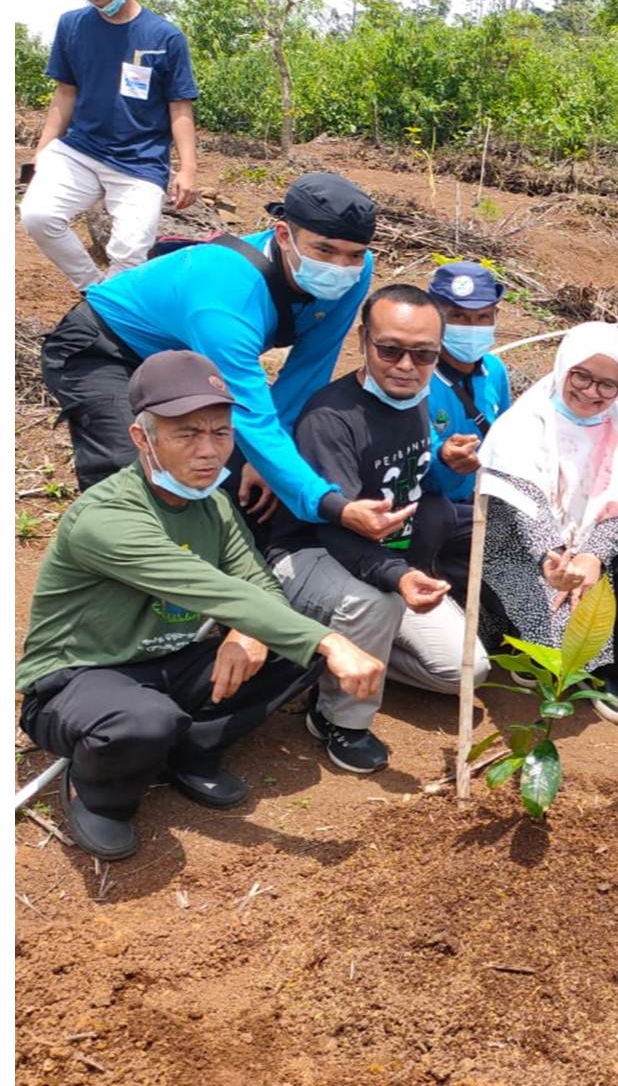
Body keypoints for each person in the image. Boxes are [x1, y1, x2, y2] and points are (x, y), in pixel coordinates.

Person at [16, 351, 385, 860]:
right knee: (145, 721)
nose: (209, 451)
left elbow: (257, 582)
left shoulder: (211, 502)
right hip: (82, 674)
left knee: (290, 646)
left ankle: (188, 753)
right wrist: (330, 639)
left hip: (169, 659)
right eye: (186, 434)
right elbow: (211, 588)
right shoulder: (106, 519)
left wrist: (245, 634)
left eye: (220, 432)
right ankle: (103, 797)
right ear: (143, 438)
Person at [39, 173, 402, 556]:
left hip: (186, 364)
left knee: (236, 473)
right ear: (283, 234)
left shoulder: (355, 274)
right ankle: (106, 569)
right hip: (106, 350)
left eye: (354, 254)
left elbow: (310, 368)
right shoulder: (227, 293)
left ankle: (223, 579)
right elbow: (251, 415)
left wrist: (266, 460)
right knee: (137, 470)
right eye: (324, 250)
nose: (340, 267)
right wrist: (329, 504)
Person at [265, 285, 490, 773]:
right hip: (310, 553)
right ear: (364, 340)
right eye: (390, 349)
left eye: (424, 353)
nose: (406, 365)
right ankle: (339, 721)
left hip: (384, 557)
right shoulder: (331, 417)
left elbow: (418, 482)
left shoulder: (417, 401)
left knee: (464, 669)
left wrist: (450, 463)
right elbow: (337, 529)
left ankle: (343, 663)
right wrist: (398, 576)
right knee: (373, 602)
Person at [477, 322, 618, 722]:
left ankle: (603, 672)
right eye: (581, 376)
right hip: (524, 556)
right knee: (553, 618)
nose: (590, 391)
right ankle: (538, 652)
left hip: (588, 552)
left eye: (606, 384)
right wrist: (558, 561)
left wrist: (593, 557)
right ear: (564, 367)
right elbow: (522, 508)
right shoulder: (523, 424)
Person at [20, 0, 199, 290]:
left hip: (140, 161)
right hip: (80, 149)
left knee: (130, 253)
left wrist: (188, 169)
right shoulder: (72, 25)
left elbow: (179, 105)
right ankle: (95, 293)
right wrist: (43, 149)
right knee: (38, 216)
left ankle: (112, 310)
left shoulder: (165, 37)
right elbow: (66, 92)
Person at [423, 261, 513, 502]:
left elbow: (506, 436)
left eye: (483, 317)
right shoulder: (417, 374)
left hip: (483, 502)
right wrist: (443, 455)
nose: (472, 327)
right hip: (432, 503)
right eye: (457, 316)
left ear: (496, 316)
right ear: (434, 315)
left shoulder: (495, 369)